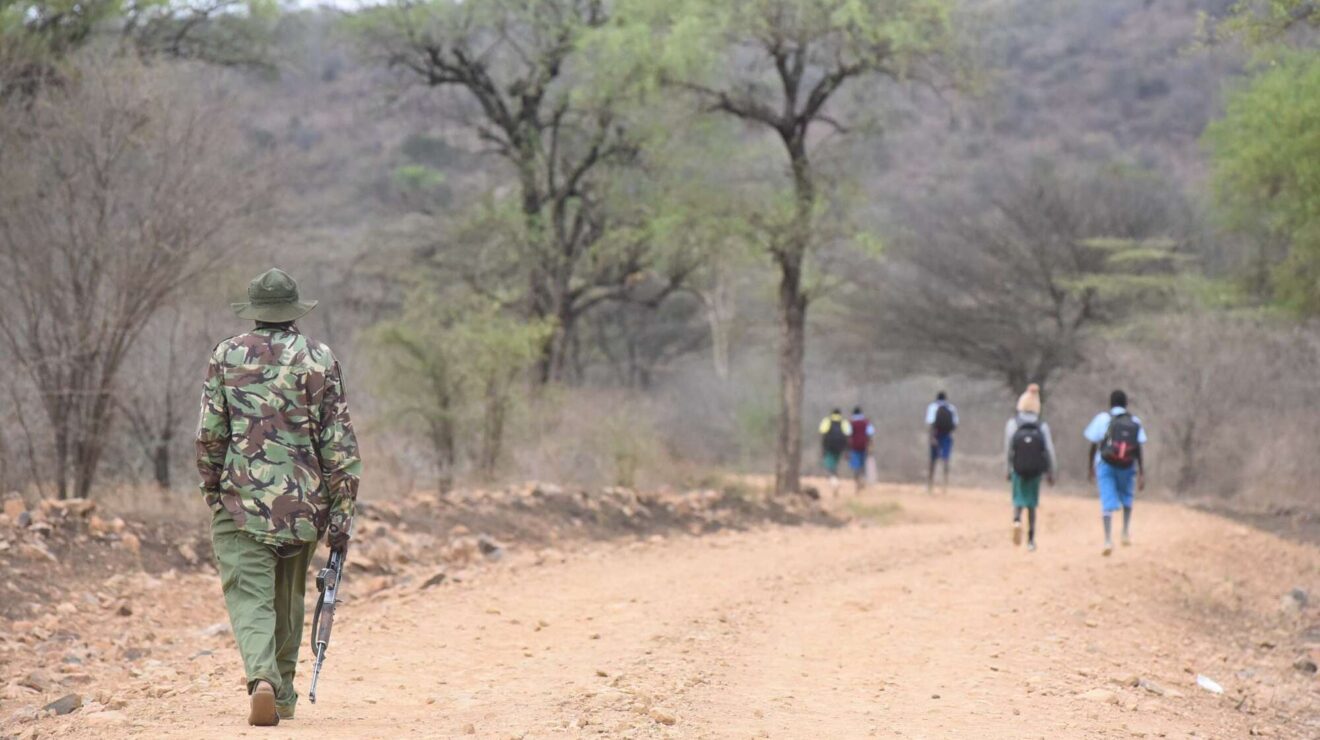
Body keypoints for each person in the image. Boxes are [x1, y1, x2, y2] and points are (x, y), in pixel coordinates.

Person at [196, 268, 362, 726]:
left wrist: (213, 490)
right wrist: (342, 516)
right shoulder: (320, 359)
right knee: (289, 598)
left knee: (249, 595)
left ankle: (262, 678)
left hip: (240, 501)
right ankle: (283, 696)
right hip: (304, 504)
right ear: (292, 311)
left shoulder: (227, 355)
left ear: (254, 312)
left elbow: (210, 434)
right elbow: (340, 446)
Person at [1083, 389, 1147, 557]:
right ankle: (1125, 530)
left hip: (1106, 464)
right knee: (1127, 496)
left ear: (1111, 403)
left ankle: (1107, 539)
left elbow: (1093, 444)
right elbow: (1139, 448)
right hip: (1127, 465)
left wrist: (1090, 467)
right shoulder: (1135, 421)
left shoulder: (1103, 419)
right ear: (1126, 404)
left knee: (1107, 499)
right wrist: (1142, 472)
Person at [1004, 384, 1056, 552]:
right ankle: (1031, 540)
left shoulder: (1013, 424)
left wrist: (1007, 469)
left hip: (1018, 468)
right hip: (1035, 470)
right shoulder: (1041, 426)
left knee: (1018, 499)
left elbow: (1008, 449)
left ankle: (1017, 520)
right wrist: (1051, 471)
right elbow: (1049, 450)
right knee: (1032, 504)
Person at [925, 391, 958, 493]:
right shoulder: (952, 408)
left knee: (933, 460)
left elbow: (930, 423)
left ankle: (930, 485)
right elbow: (955, 424)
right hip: (947, 436)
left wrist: (932, 438)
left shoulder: (932, 407)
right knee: (946, 459)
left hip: (936, 434)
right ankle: (945, 484)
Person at [818, 408, 852, 497]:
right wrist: (847, 450)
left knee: (829, 465)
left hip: (829, 447)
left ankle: (834, 481)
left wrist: (823, 449)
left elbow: (822, 433)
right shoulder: (844, 423)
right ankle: (835, 479)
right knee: (835, 464)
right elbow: (848, 435)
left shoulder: (827, 421)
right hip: (840, 447)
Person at [847, 406, 876, 493]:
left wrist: (847, 447)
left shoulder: (851, 423)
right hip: (864, 446)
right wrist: (871, 445)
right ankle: (862, 478)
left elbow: (848, 434)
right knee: (863, 464)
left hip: (854, 447)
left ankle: (857, 481)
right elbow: (870, 433)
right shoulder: (866, 422)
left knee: (856, 466)